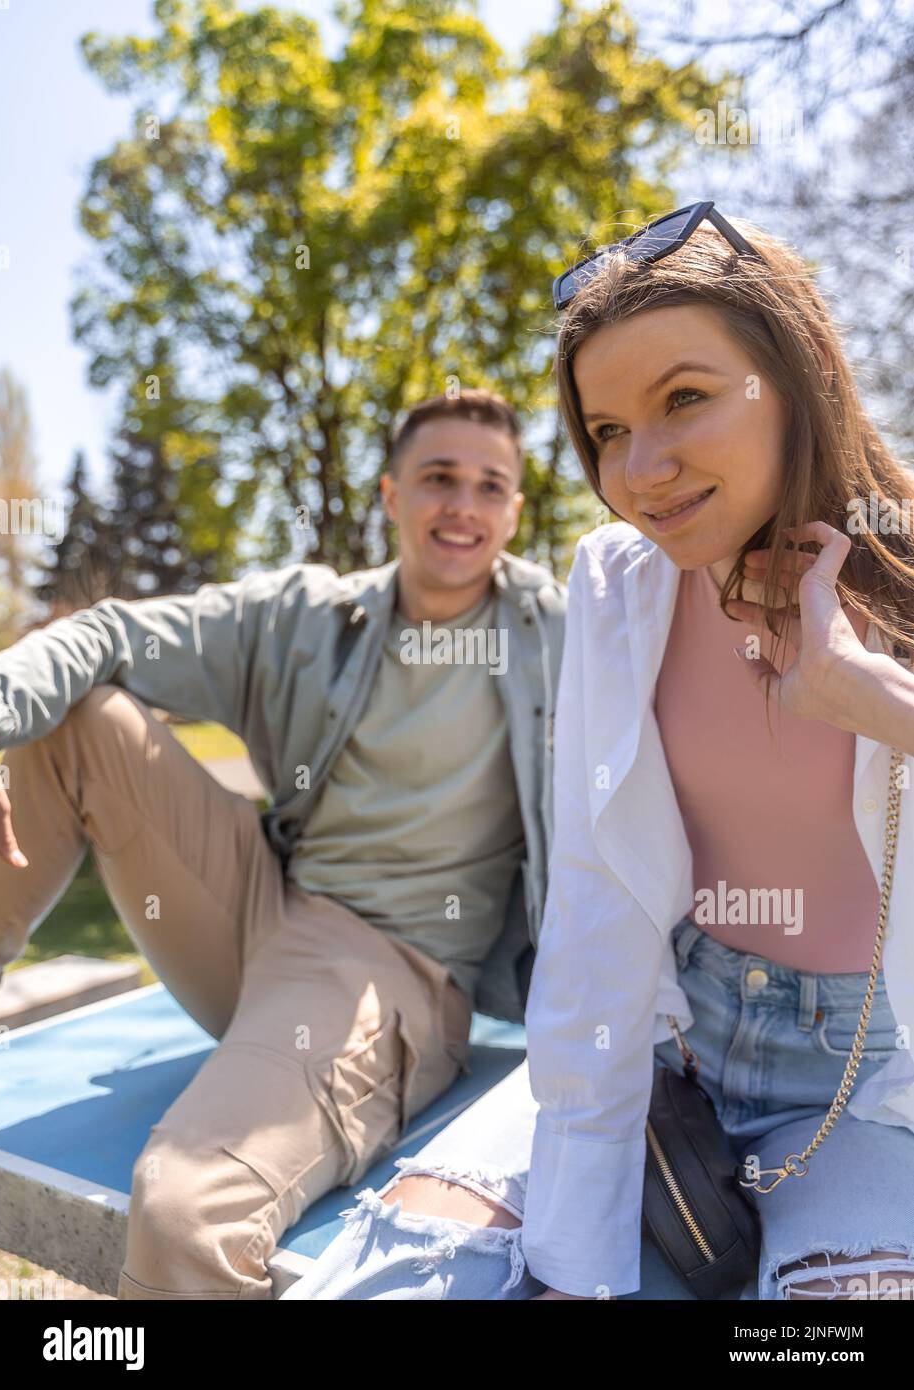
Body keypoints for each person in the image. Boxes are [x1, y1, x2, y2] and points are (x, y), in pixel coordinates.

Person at [285, 205, 914, 1303]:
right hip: (666, 1036)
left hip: (861, 1084)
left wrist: (871, 696)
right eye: (608, 431)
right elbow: (594, 913)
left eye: (684, 399)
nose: (644, 469)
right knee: (402, 1278)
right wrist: (574, 1275)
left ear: (796, 372)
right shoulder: (621, 582)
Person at [0, 386, 566, 1300]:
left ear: (515, 510)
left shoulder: (559, 637)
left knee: (185, 1214)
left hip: (387, 969)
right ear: (389, 494)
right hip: (257, 905)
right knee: (78, 715)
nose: (462, 505)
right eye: (438, 478)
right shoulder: (309, 617)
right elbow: (103, 632)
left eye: (489, 485)